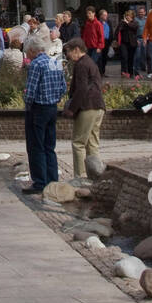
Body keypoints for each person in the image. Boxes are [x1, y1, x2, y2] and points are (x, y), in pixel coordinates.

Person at [22, 36, 65, 194]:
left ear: (33, 50)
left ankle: (40, 182)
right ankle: (52, 180)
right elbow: (63, 87)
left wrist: (26, 102)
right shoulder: (55, 62)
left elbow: (30, 91)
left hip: (38, 109)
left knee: (36, 147)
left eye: (27, 52)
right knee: (49, 146)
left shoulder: (36, 64)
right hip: (52, 108)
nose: (27, 55)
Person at [62, 39, 104, 179]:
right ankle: (96, 175)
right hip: (98, 106)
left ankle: (80, 176)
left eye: (68, 51)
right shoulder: (90, 62)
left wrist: (72, 109)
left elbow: (81, 89)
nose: (67, 55)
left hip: (87, 106)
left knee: (78, 142)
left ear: (76, 50)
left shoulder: (81, 65)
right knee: (92, 143)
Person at [117, 9, 139, 78]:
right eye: (126, 16)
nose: (127, 17)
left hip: (132, 43)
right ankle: (124, 72)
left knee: (131, 58)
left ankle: (130, 72)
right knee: (124, 56)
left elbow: (133, 27)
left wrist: (126, 23)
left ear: (132, 16)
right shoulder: (122, 22)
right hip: (124, 42)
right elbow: (117, 31)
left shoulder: (135, 22)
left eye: (129, 16)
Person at [81, 6, 105, 71]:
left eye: (90, 13)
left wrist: (99, 47)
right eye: (87, 13)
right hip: (88, 47)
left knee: (92, 62)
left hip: (96, 47)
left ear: (94, 13)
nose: (88, 15)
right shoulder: (87, 23)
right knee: (89, 62)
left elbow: (101, 36)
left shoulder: (98, 24)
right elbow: (84, 35)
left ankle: (94, 76)